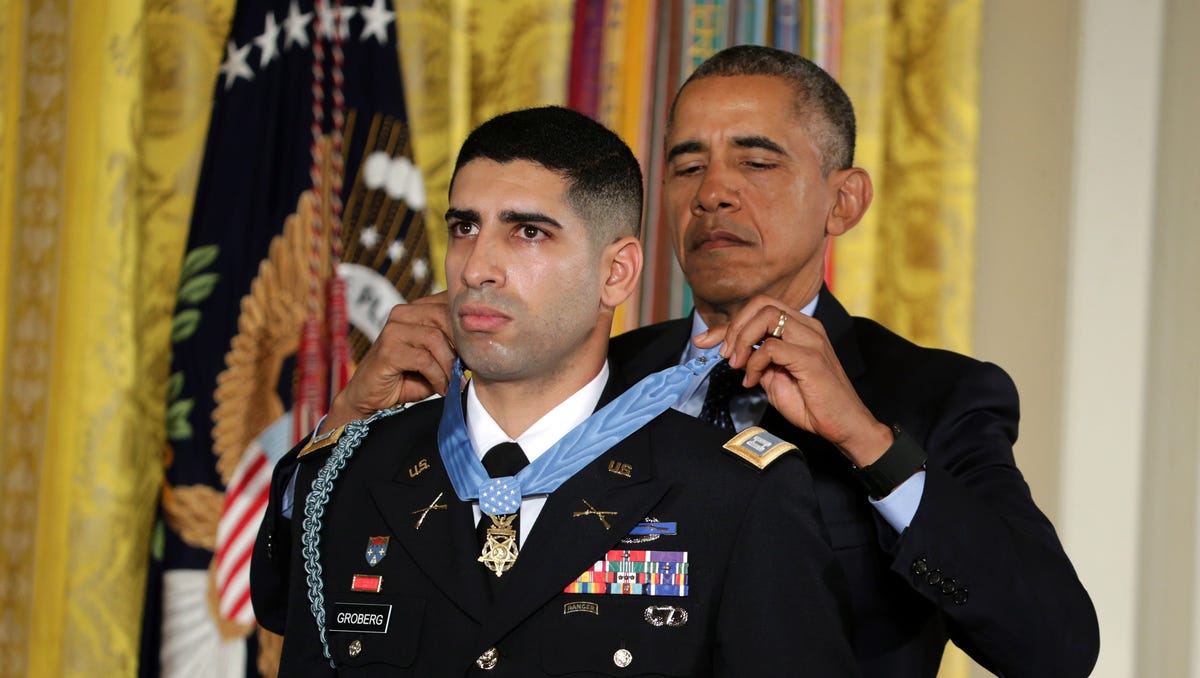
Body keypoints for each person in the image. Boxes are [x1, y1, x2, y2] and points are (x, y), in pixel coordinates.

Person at [319, 46, 1101, 677]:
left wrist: (867, 441)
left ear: (844, 200)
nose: (714, 193)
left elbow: (1055, 647)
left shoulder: (933, 396)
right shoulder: (588, 376)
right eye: (688, 165)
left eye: (757, 163)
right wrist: (352, 419)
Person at [250, 105, 859, 675]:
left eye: (529, 233)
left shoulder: (733, 494)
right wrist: (346, 422)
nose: (477, 266)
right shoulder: (352, 467)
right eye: (465, 227)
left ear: (615, 273)